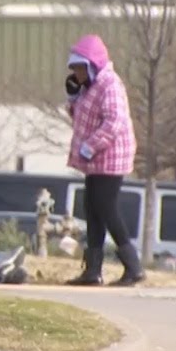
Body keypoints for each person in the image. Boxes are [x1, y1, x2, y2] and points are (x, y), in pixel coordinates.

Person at [63, 34, 146, 287]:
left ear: (93, 65)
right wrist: (73, 98)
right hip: (95, 160)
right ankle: (93, 270)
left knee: (106, 207)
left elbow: (115, 121)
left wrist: (90, 146)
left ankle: (133, 267)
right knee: (92, 209)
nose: (77, 73)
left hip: (111, 157)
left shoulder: (109, 84)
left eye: (81, 68)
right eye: (74, 68)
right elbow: (81, 118)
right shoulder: (89, 87)